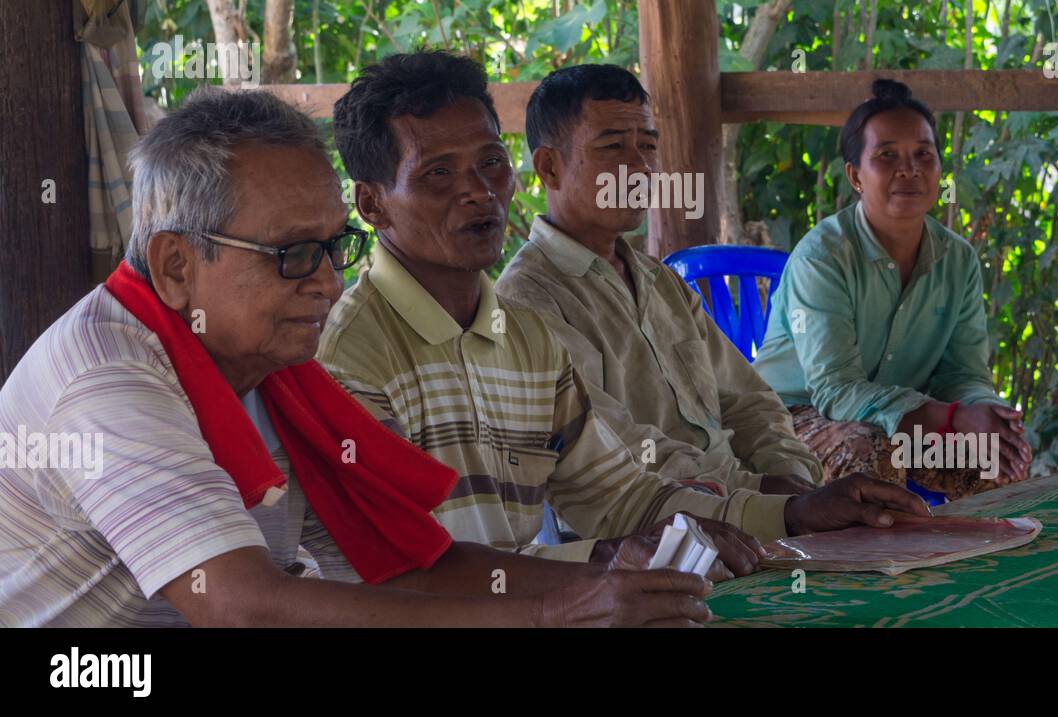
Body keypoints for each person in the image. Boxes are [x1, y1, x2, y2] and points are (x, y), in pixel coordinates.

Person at [0, 88, 714, 627]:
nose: (330, 280)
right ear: (177, 264)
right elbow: (244, 604)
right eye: (293, 255)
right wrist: (552, 615)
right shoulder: (111, 376)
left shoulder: (276, 376)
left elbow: (401, 563)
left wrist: (600, 582)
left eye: (335, 247)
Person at [318, 50, 930, 572]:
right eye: (437, 173)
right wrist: (601, 564)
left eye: (489, 163)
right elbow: (410, 573)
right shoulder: (356, 355)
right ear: (371, 205)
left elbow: (619, 493)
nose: (477, 190)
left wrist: (793, 508)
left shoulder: (526, 334)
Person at [497, 64, 822, 500]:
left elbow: (748, 401)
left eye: (648, 145)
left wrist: (794, 480)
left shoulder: (661, 281)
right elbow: (611, 447)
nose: (640, 167)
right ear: (549, 168)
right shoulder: (528, 299)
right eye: (613, 147)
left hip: (743, 507)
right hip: (641, 533)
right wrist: (761, 496)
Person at [755, 78, 1031, 497]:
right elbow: (836, 389)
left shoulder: (956, 260)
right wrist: (954, 418)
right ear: (855, 175)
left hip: (900, 420)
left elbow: (963, 373)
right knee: (867, 457)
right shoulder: (823, 255)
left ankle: (967, 563)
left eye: (924, 154)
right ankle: (873, 566)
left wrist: (987, 413)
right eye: (887, 155)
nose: (910, 169)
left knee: (994, 459)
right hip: (792, 412)